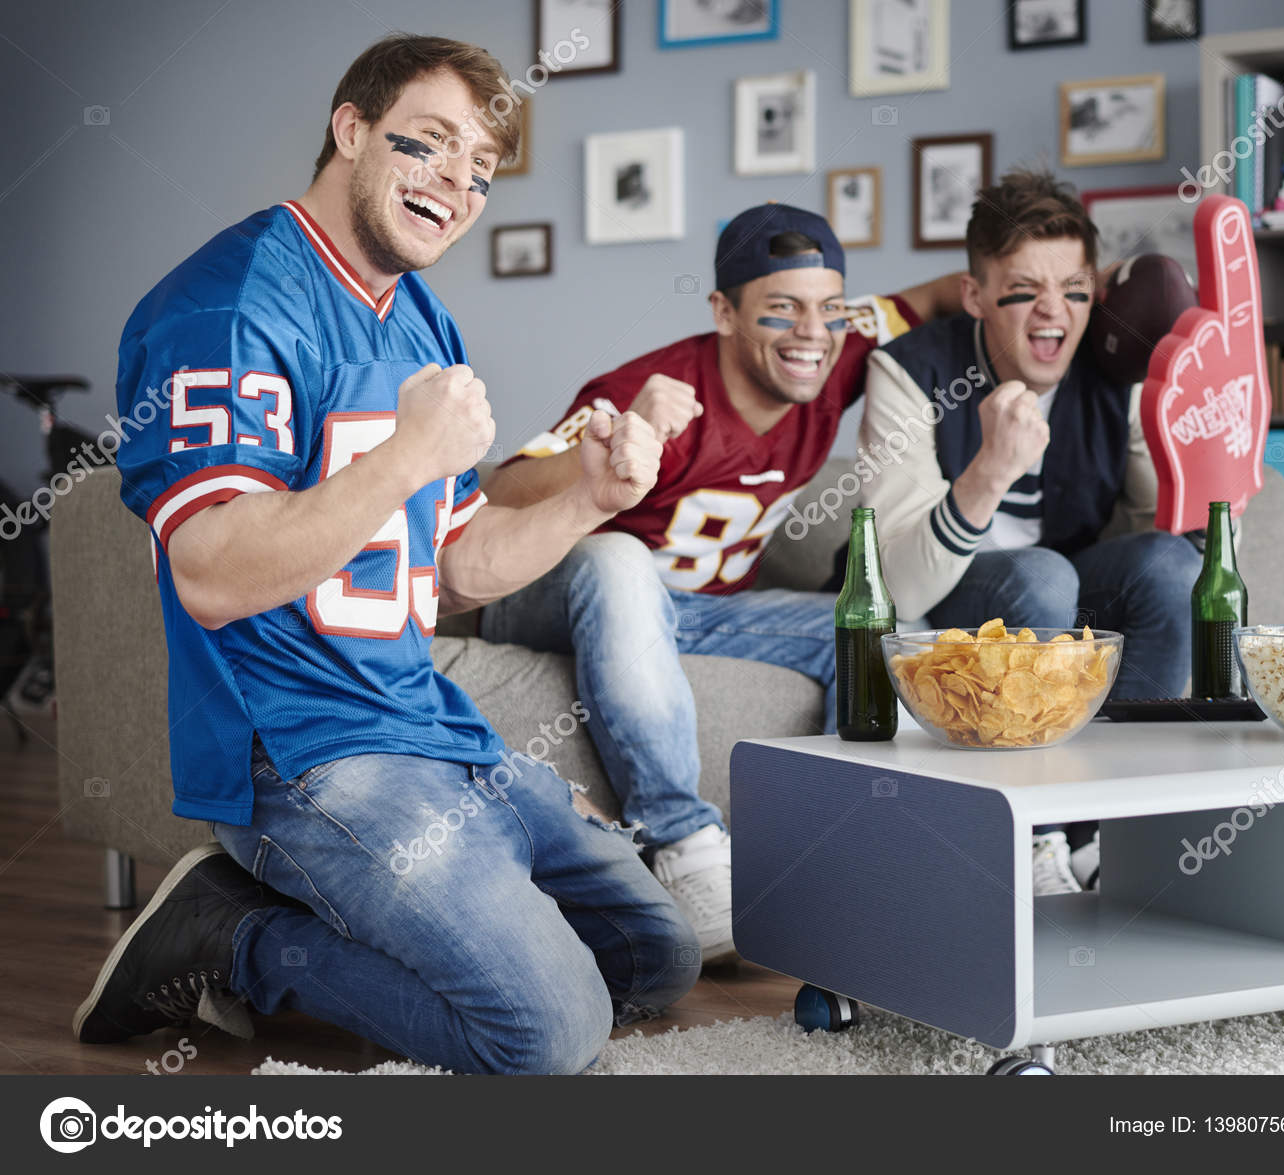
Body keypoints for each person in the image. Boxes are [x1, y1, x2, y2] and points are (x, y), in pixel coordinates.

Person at [74, 34, 698, 1075]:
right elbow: (212, 572)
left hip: (436, 731)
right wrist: (408, 454)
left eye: (482, 171)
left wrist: (595, 497)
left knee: (655, 955)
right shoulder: (230, 305)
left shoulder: (421, 316)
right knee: (546, 1037)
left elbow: (456, 569)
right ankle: (238, 934)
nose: (457, 183)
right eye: (431, 143)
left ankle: (369, 905)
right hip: (307, 754)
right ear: (352, 128)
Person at [480, 204, 962, 960]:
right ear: (724, 312)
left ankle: (849, 851)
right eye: (781, 310)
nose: (811, 332)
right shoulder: (650, 389)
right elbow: (501, 493)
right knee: (620, 561)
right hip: (564, 593)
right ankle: (683, 842)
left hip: (702, 610)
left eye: (827, 309)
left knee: (872, 630)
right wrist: (615, 444)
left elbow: (940, 295)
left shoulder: (835, 342)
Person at [858, 167, 1202, 896]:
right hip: (949, 610)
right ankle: (1035, 834)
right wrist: (988, 471)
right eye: (1024, 290)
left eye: (1074, 290)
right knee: (1041, 576)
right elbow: (899, 584)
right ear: (975, 294)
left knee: (1173, 567)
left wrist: (1175, 438)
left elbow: (1152, 540)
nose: (1054, 313)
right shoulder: (908, 372)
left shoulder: (1111, 369)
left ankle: (1114, 826)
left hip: (1069, 597)